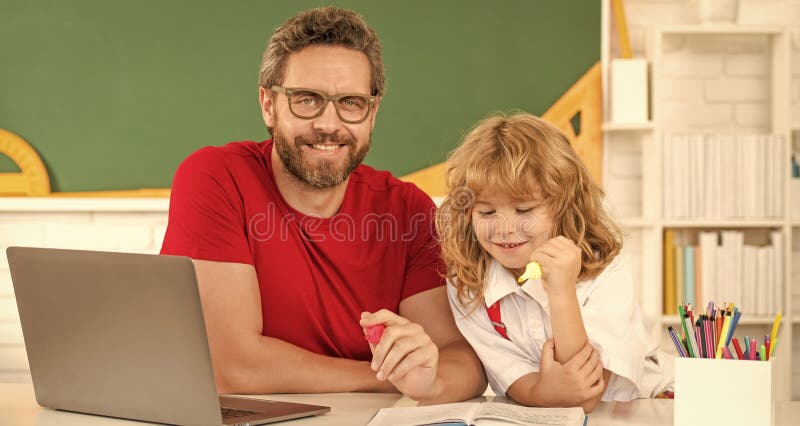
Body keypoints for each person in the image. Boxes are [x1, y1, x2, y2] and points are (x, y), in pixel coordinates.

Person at [159, 7, 489, 403]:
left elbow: (461, 362)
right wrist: (390, 376)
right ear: (268, 105)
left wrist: (430, 380)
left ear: (373, 112)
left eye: (350, 102)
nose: (329, 124)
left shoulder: (408, 210)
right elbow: (230, 366)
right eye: (307, 100)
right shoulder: (216, 178)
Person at [436, 112, 674, 412]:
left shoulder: (606, 272)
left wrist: (561, 293)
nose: (505, 228)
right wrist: (540, 393)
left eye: (524, 210)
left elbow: (585, 395)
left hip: (652, 406)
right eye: (486, 213)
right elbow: (511, 374)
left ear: (563, 205)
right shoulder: (468, 284)